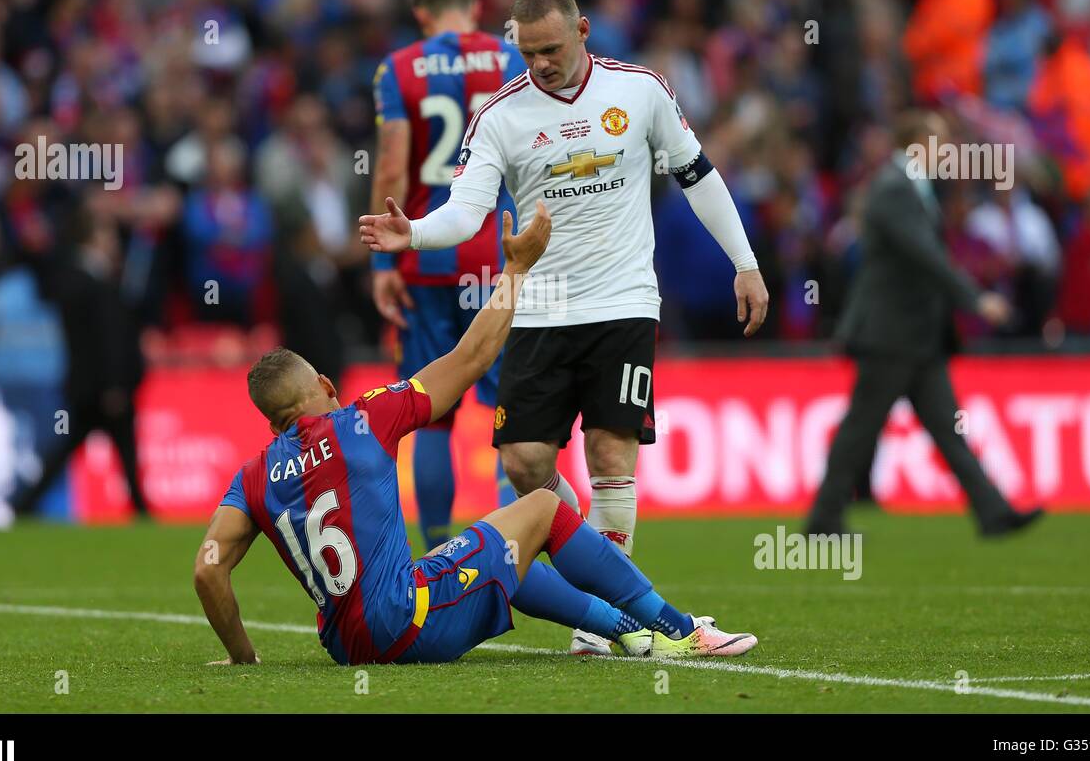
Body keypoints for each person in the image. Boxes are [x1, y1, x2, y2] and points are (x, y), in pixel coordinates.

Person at [359, 0, 769, 655]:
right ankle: (608, 584)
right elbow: (469, 210)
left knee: (611, 452)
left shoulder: (640, 91)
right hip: (541, 307)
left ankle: (606, 617)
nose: (540, 63)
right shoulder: (499, 115)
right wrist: (417, 235)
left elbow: (698, 175)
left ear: (582, 30)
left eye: (551, 49)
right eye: (528, 52)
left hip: (624, 300)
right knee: (525, 464)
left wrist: (744, 263)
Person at [193, 203, 756, 665]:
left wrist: (243, 658)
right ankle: (676, 630)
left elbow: (208, 569)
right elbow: (472, 357)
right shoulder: (361, 420)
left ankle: (624, 630)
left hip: (347, 645)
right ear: (323, 383)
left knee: (495, 546)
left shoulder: (253, 475)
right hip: (406, 624)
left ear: (272, 422)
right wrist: (515, 271)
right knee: (541, 508)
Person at [805, 111, 1044, 537]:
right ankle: (824, 516)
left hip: (916, 336)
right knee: (862, 427)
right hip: (890, 333)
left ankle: (993, 512)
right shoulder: (895, 188)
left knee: (943, 429)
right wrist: (975, 299)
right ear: (916, 142)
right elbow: (925, 256)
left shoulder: (909, 187)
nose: (947, 148)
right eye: (939, 139)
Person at [370, 0, 524, 549]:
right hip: (498, 254)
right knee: (512, 403)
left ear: (421, 14)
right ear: (477, 6)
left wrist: (382, 265)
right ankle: (514, 544)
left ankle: (436, 547)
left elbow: (390, 167)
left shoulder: (400, 67)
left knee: (431, 409)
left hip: (426, 255)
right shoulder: (513, 59)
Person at [12, 207, 149, 518]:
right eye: (108, 233)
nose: (115, 241)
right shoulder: (91, 280)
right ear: (94, 237)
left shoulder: (82, 277)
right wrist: (115, 384)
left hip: (89, 385)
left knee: (78, 450)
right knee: (118, 451)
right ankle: (141, 511)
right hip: (101, 387)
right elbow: (107, 339)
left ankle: (24, 505)